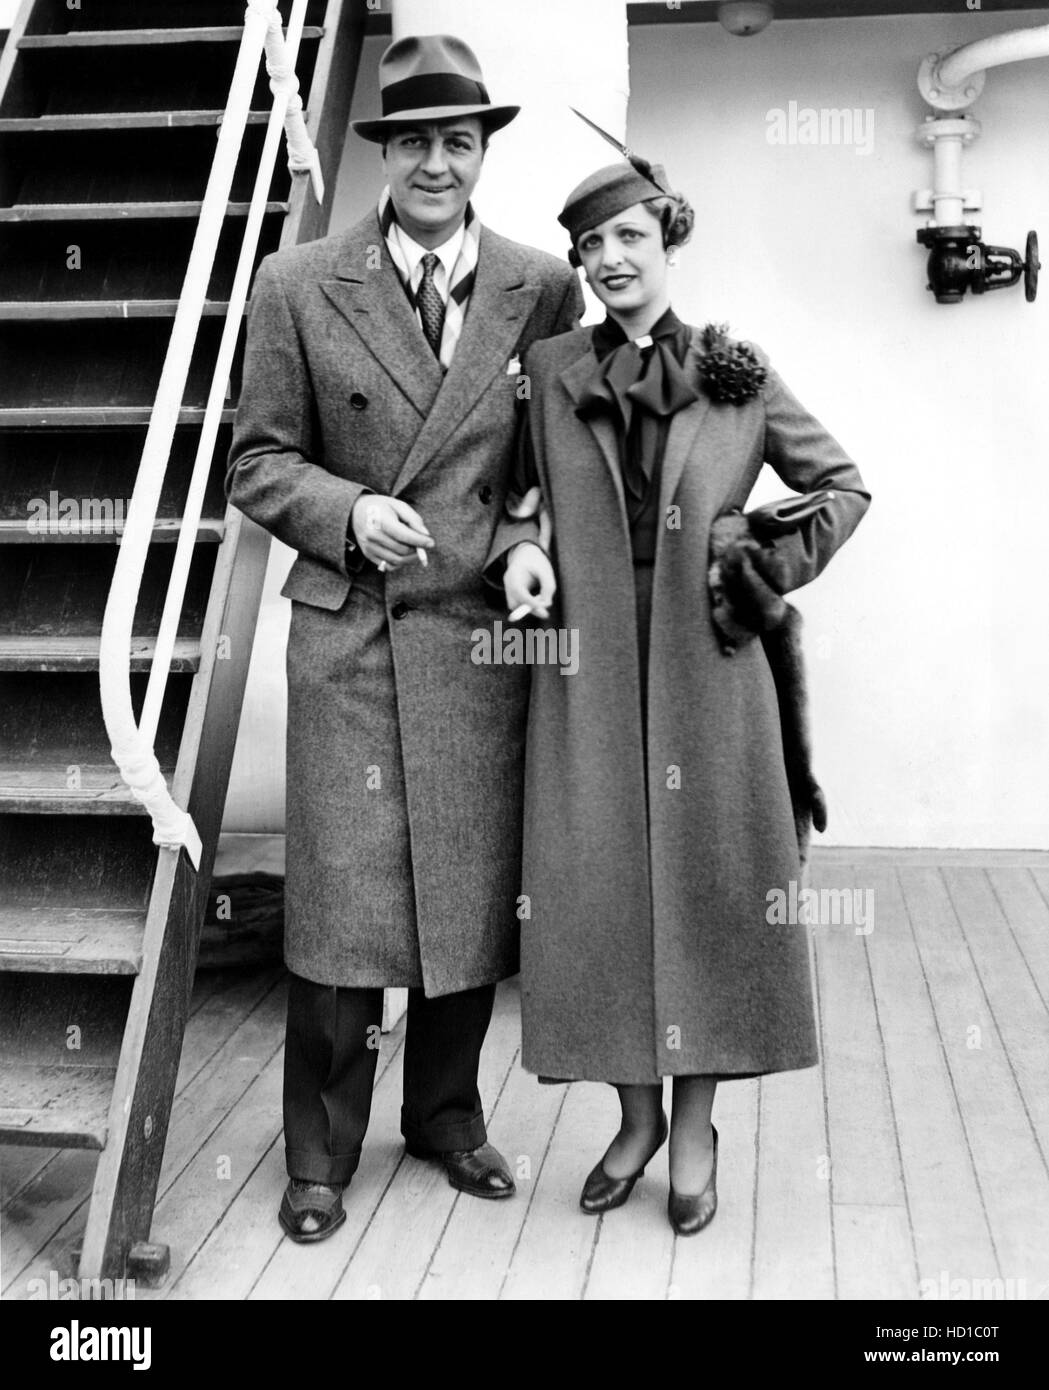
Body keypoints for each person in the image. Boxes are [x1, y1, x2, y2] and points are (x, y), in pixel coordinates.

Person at [226, 34, 583, 1243]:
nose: (436, 163)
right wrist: (345, 512)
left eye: (458, 142)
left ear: (482, 153)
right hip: (350, 641)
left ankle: (443, 1116)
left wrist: (532, 536)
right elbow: (257, 460)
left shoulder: (539, 284)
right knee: (338, 907)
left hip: (474, 635)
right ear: (381, 150)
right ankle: (318, 1155)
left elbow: (548, 464)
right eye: (415, 140)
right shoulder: (297, 283)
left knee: (468, 901)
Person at [486, 156, 871, 1235]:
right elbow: (518, 500)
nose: (608, 262)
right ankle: (634, 1117)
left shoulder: (731, 367)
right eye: (589, 248)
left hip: (708, 675)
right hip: (588, 674)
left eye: (628, 241)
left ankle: (693, 1126)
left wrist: (755, 553)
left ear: (667, 242)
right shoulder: (551, 370)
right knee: (598, 890)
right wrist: (522, 550)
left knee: (704, 886)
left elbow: (841, 484)